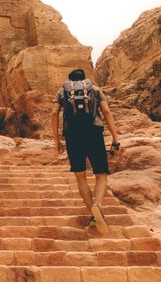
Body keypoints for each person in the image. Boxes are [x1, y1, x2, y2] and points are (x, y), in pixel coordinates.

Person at [50, 68, 120, 234]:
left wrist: (57, 140)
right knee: (101, 174)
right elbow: (107, 111)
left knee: (80, 175)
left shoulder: (62, 91)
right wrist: (115, 138)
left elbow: (53, 113)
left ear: (70, 80)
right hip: (93, 132)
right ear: (84, 79)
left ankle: (93, 214)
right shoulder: (94, 89)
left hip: (72, 135)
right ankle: (98, 206)